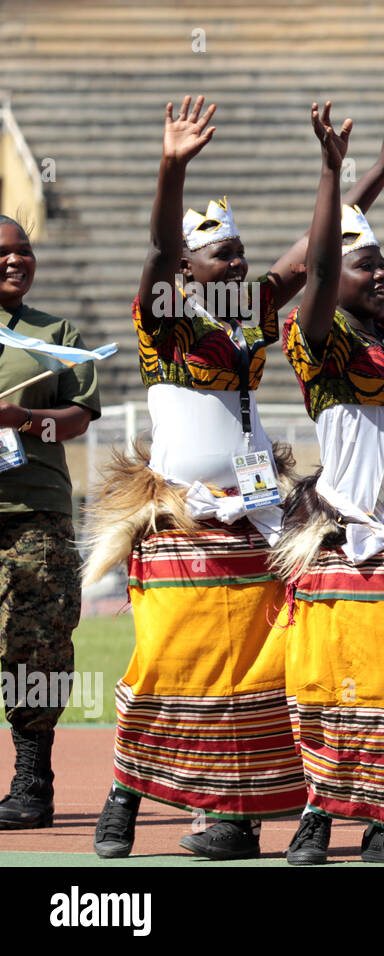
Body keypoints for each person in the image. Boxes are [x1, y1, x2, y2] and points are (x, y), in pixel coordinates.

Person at [85, 94, 384, 860]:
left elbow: (321, 249)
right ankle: (126, 790)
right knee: (172, 662)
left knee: (265, 672)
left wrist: (361, 169)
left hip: (259, 520)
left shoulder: (254, 311)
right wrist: (174, 166)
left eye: (239, 251)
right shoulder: (163, 318)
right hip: (180, 517)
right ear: (190, 272)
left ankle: (234, 820)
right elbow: (159, 249)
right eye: (219, 256)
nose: (236, 263)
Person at [271, 102, 384, 865]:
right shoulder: (315, 338)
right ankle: (319, 815)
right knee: (329, 681)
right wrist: (333, 170)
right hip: (343, 529)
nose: (380, 276)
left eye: (383, 264)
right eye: (365, 265)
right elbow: (314, 269)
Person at [0, 214, 101, 829]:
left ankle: (31, 783)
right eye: (2, 253)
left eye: (25, 251)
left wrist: (24, 420)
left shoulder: (55, 333)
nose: (16, 261)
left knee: (33, 648)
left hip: (33, 513)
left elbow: (78, 417)